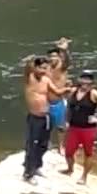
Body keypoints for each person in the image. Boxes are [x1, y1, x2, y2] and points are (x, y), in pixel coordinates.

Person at [61, 71, 97, 184]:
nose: (85, 82)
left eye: (88, 80)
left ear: (91, 82)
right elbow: (68, 107)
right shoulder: (74, 91)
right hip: (74, 126)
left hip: (88, 128)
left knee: (88, 152)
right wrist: (66, 121)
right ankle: (70, 169)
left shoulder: (93, 93)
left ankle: (84, 176)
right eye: (83, 79)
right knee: (69, 151)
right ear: (80, 80)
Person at [22, 55, 68, 183]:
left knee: (43, 144)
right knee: (33, 144)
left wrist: (68, 89)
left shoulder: (46, 80)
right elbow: (27, 69)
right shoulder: (29, 78)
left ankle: (37, 166)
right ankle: (28, 173)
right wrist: (31, 60)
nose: (43, 71)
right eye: (41, 68)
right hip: (34, 118)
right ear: (35, 67)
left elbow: (57, 92)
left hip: (46, 117)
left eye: (45, 68)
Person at [45, 38, 72, 151]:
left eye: (55, 56)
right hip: (46, 102)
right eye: (51, 56)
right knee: (46, 126)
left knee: (61, 127)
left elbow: (67, 61)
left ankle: (61, 146)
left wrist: (65, 50)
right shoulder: (45, 68)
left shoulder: (61, 67)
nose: (53, 58)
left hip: (58, 101)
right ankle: (47, 144)